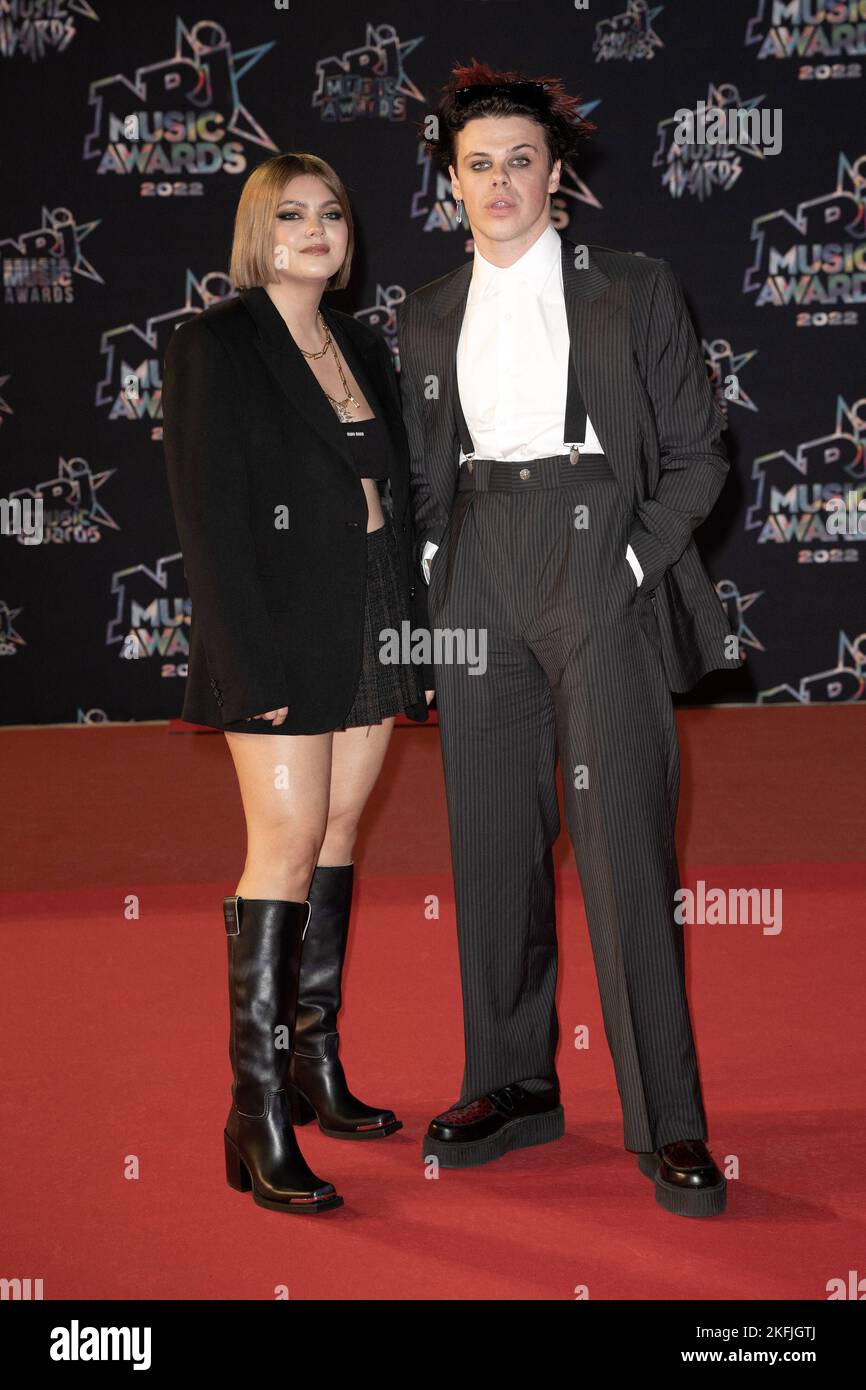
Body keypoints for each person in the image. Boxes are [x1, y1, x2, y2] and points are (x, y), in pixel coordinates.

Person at [397, 62, 742, 1217]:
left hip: (598, 556)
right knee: (490, 842)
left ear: (557, 177)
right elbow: (418, 477)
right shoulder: (427, 311)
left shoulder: (631, 286)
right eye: (477, 164)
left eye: (520, 161)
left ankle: (669, 1120)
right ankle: (507, 1082)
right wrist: (438, 590)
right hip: (477, 572)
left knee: (622, 844)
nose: (500, 182)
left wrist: (633, 561)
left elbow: (697, 453)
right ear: (452, 183)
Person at [162, 152, 428, 1216]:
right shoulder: (213, 345)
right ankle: (254, 1108)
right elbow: (208, 522)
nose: (315, 228)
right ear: (258, 233)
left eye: (330, 212)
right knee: (281, 841)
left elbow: (392, 505)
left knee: (336, 837)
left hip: (369, 614)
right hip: (276, 630)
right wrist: (248, 667)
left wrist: (408, 630)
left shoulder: (360, 341)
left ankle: (314, 1064)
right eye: (292, 215)